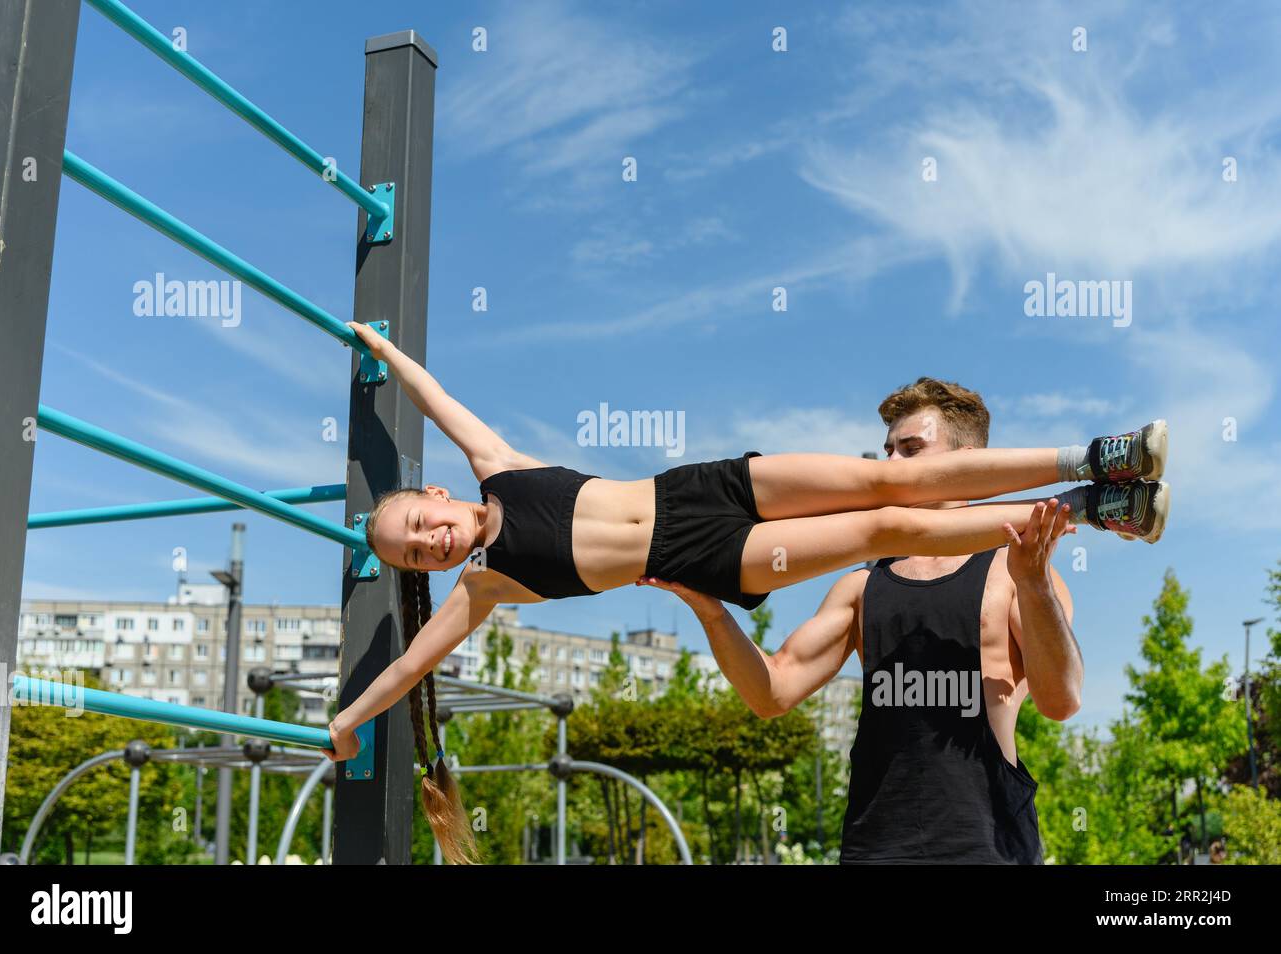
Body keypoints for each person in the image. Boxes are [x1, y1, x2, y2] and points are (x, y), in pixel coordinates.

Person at [326, 326, 1169, 862]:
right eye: (417, 558)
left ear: (436, 499)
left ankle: (1094, 457)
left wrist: (384, 350)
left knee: (883, 485)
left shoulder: (495, 464)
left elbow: (437, 401)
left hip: (706, 489)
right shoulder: (485, 588)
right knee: (886, 527)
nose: (431, 546)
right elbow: (407, 671)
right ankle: (1098, 508)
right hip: (718, 558)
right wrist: (349, 720)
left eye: (420, 527)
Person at [643, 377, 1104, 863]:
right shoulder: (861, 588)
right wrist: (712, 612)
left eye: (911, 450)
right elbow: (771, 692)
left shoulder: (1017, 575)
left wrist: (1034, 585)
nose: (890, 467)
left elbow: (1060, 701)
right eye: (887, 451)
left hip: (985, 848)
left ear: (969, 463)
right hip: (874, 849)